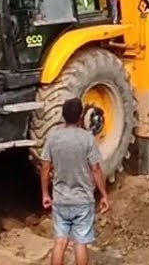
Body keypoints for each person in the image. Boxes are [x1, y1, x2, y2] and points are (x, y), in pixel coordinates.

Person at [40, 97, 110, 265]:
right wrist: (104, 195)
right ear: (81, 116)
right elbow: (95, 169)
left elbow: (45, 168)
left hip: (60, 199)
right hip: (83, 200)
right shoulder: (87, 139)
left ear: (63, 116)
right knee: (80, 243)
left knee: (60, 242)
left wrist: (45, 193)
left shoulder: (53, 138)